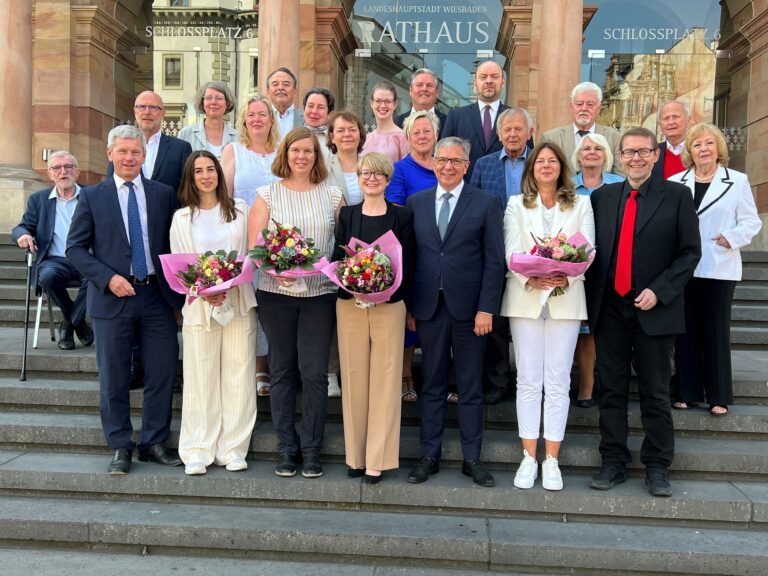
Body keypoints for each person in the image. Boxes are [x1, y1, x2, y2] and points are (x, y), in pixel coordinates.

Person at [587, 127, 700, 497]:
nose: (635, 158)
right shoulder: (602, 197)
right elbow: (590, 250)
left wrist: (660, 291)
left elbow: (689, 253)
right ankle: (613, 462)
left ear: (655, 155)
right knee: (611, 390)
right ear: (619, 157)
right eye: (629, 152)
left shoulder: (678, 196)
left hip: (654, 309)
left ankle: (657, 466)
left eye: (643, 152)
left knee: (654, 391)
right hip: (610, 310)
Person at [66, 125, 184, 475]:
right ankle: (120, 445)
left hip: (157, 297)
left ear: (144, 156)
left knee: (162, 373)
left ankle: (153, 442)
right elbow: (75, 248)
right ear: (110, 154)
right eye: (123, 152)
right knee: (114, 377)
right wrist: (108, 278)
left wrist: (181, 293)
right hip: (112, 298)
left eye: (135, 152)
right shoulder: (92, 196)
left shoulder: (164, 194)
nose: (130, 157)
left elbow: (175, 243)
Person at [405, 136, 505, 488]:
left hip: (470, 311)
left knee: (470, 386)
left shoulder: (486, 203)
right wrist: (411, 308)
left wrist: (486, 308)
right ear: (433, 162)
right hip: (429, 308)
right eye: (442, 159)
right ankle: (428, 456)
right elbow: (411, 258)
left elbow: (495, 262)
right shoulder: (415, 203)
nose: (448, 166)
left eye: (455, 161)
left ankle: (472, 459)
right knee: (430, 383)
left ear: (466, 166)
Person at [247, 127, 344, 479]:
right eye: (295, 150)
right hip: (276, 295)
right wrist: (275, 268)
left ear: (317, 157)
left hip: (320, 295)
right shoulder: (267, 195)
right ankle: (287, 448)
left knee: (315, 373)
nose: (301, 156)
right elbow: (255, 247)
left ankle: (312, 448)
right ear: (285, 154)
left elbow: (342, 246)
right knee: (283, 371)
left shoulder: (332, 196)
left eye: (308, 151)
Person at [501, 143, 595, 491]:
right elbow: (510, 249)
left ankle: (551, 459)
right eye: (539, 161)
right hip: (526, 299)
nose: (545, 166)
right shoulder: (515, 204)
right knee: (527, 378)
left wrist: (565, 275)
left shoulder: (582, 203)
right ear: (531, 169)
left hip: (566, 298)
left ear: (562, 167)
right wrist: (531, 277)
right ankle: (528, 457)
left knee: (557, 380)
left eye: (552, 161)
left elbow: (589, 249)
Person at [171, 150, 258, 475]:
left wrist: (227, 285)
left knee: (238, 375)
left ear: (220, 175)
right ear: (190, 178)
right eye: (199, 171)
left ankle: (233, 449)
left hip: (237, 300)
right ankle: (197, 449)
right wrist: (206, 290)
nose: (206, 175)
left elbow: (249, 253)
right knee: (200, 376)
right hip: (199, 306)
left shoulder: (240, 210)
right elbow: (181, 263)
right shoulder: (182, 218)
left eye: (211, 169)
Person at [332, 152, 415, 484]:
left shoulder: (402, 216)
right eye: (365, 173)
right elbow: (339, 255)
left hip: (389, 305)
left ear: (387, 178)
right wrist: (354, 283)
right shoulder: (348, 214)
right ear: (359, 177)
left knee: (385, 379)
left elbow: (409, 262)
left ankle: (377, 459)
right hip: (349, 305)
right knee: (353, 378)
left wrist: (383, 288)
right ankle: (355, 455)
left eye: (378, 174)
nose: (371, 178)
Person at [669, 123, 761, 415]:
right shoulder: (675, 181)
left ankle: (719, 395)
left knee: (715, 331)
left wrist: (731, 237)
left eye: (709, 143)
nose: (704, 149)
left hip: (719, 265)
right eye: (697, 145)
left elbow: (751, 221)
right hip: (683, 267)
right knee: (685, 331)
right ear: (690, 151)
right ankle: (687, 391)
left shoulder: (737, 180)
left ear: (718, 148)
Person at [470, 107, 535, 405]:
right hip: (492, 251)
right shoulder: (483, 165)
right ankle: (497, 381)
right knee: (494, 321)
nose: (512, 134)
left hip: (532, 250)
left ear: (529, 132)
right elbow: (472, 203)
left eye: (518, 129)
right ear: (498, 134)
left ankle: (529, 381)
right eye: (506, 129)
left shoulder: (540, 162)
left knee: (529, 320)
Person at [221, 94, 281, 396]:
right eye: (251, 114)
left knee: (273, 304)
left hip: (278, 239)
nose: (257, 119)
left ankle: (275, 366)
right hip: (244, 236)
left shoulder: (282, 152)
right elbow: (224, 195)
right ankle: (254, 367)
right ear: (243, 120)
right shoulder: (233, 150)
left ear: (272, 119)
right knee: (248, 303)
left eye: (263, 114)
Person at [385, 110, 439, 402]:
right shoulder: (400, 169)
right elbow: (396, 210)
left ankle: (435, 379)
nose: (421, 136)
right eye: (416, 132)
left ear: (435, 136)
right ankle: (406, 377)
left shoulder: (444, 166)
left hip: (439, 255)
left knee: (435, 319)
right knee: (409, 319)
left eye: (426, 131)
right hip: (410, 251)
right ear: (407, 138)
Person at [13, 151, 91, 350]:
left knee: (99, 278)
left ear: (77, 171)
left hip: (87, 258)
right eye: (57, 168)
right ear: (50, 173)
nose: (63, 172)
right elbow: (23, 226)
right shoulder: (38, 200)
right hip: (55, 260)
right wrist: (23, 235)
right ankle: (76, 320)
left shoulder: (92, 195)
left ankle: (69, 323)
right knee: (46, 277)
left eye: (68, 167)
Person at [570, 133, 624, 408]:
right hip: (577, 266)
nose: (591, 152)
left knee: (609, 327)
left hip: (613, 265)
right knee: (584, 329)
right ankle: (586, 387)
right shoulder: (567, 186)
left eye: (598, 148)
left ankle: (611, 385)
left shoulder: (620, 184)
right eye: (586, 148)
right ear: (578, 155)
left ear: (606, 155)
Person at [441, 60, 509, 179]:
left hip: (504, 191)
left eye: (494, 76)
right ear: (475, 83)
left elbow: (528, 157)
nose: (489, 81)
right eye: (483, 77)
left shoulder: (514, 117)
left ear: (502, 82)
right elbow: (444, 155)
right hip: (466, 191)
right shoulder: (456, 116)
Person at [541, 81, 622, 175]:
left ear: (599, 108)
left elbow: (619, 176)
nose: (584, 108)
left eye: (590, 104)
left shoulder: (615, 137)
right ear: (571, 106)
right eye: (579, 104)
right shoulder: (551, 138)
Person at [131, 91, 192, 191]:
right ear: (135, 111)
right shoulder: (122, 148)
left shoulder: (180, 149)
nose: (147, 112)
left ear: (163, 113)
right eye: (142, 106)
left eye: (153, 107)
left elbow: (188, 190)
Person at [177, 81, 238, 158]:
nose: (213, 102)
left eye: (219, 98)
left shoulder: (238, 138)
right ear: (202, 103)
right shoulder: (185, 134)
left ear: (227, 103)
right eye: (208, 98)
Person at [361, 80, 409, 164]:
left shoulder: (402, 137)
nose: (382, 105)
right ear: (371, 103)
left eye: (387, 101)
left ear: (395, 105)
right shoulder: (366, 139)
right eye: (378, 101)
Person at [326, 110, 367, 206]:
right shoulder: (323, 168)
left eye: (352, 130)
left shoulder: (371, 166)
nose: (347, 134)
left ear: (360, 135)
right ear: (332, 137)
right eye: (340, 130)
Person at [394, 68, 447, 139]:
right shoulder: (397, 123)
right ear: (410, 90)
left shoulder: (448, 122)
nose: (424, 89)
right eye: (419, 85)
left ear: (437, 92)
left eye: (429, 85)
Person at [651, 100, 691, 182]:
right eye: (666, 118)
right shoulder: (652, 153)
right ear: (660, 125)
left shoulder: (698, 151)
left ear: (688, 120)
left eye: (676, 117)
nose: (671, 122)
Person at [265, 67, 302, 140]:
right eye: (275, 84)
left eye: (286, 84)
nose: (280, 88)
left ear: (294, 90)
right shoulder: (260, 118)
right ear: (268, 91)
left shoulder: (306, 118)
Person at [302, 87, 334, 156]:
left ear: (329, 114)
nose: (314, 111)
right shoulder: (293, 134)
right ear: (304, 109)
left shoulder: (335, 138)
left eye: (320, 107)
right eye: (310, 106)